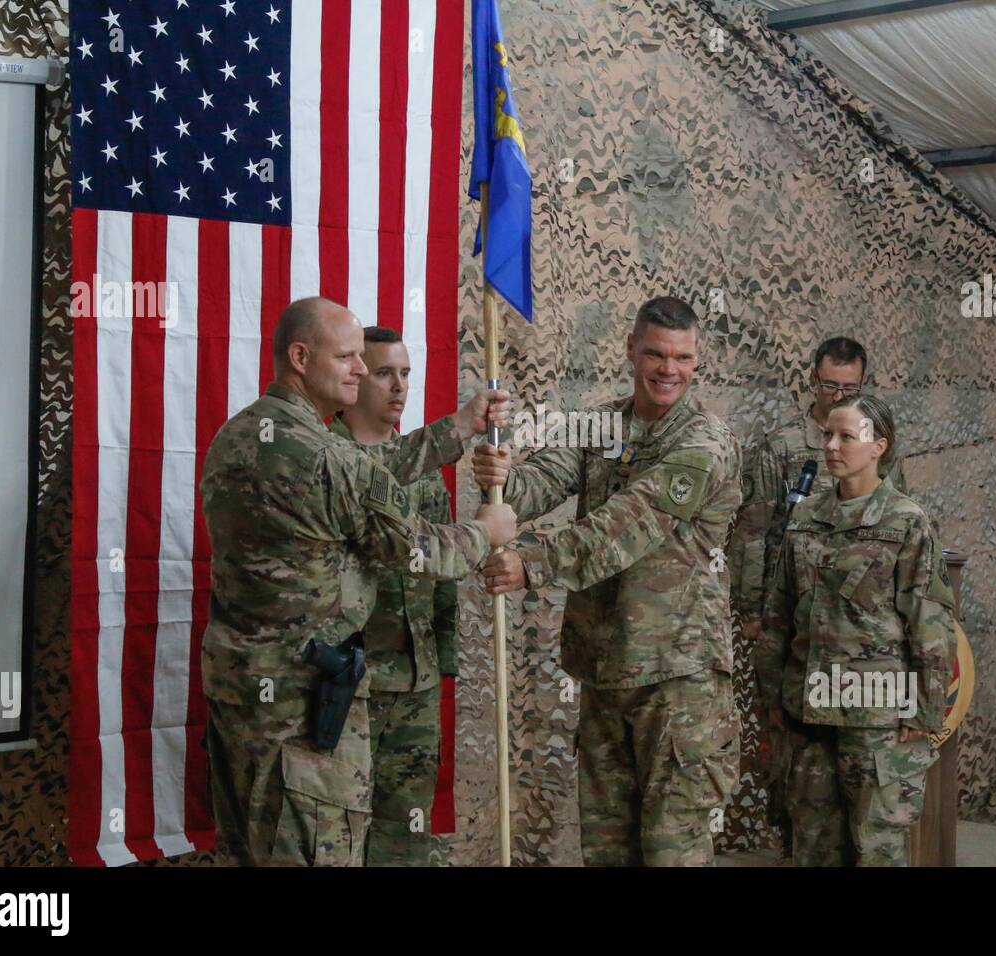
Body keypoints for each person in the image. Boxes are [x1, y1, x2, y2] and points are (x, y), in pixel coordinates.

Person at [199, 296, 516, 866]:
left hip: (239, 695)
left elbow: (362, 478)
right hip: (306, 705)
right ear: (300, 357)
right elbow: (419, 550)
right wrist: (486, 529)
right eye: (348, 357)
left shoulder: (236, 437)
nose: (362, 371)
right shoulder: (324, 459)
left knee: (248, 851)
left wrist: (459, 428)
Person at [473, 296, 742, 866]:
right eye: (655, 354)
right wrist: (502, 480)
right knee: (607, 852)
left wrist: (534, 563)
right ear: (631, 351)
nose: (669, 370)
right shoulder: (600, 425)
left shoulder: (707, 441)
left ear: (697, 361)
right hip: (605, 672)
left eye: (682, 357)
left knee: (672, 852)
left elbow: (635, 518)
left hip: (679, 681)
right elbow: (541, 481)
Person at [759, 394, 956, 866]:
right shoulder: (805, 518)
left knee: (877, 848)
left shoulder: (906, 522)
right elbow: (778, 614)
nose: (831, 446)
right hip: (808, 712)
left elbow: (929, 622)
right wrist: (772, 699)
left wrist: (923, 710)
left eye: (847, 436)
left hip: (877, 715)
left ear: (878, 446)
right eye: (828, 434)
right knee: (810, 845)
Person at [728, 337, 902, 839]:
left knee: (858, 747)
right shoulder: (782, 445)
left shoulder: (875, 439)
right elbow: (755, 531)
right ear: (812, 380)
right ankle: (794, 838)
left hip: (861, 623)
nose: (838, 394)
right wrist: (751, 609)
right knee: (790, 732)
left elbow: (897, 517)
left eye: (850, 386)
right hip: (793, 613)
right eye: (830, 384)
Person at [328, 325, 456, 866]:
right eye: (384, 373)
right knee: (334, 829)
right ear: (355, 376)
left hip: (414, 679)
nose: (398, 386)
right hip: (345, 681)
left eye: (405, 374)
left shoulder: (425, 471)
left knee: (407, 829)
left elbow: (445, 571)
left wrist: (443, 657)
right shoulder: (325, 456)